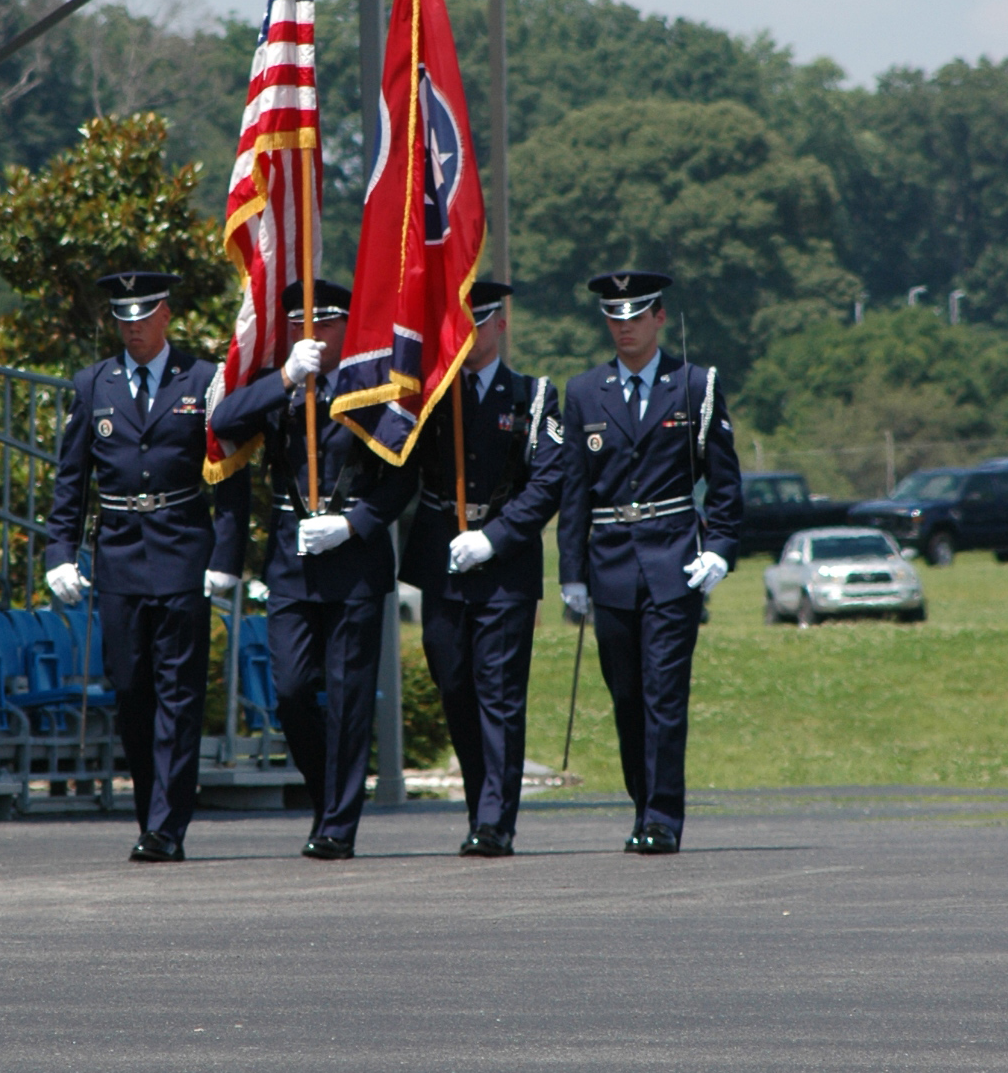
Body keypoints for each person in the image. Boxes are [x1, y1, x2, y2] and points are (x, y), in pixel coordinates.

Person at [207, 279, 418, 860]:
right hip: (292, 559)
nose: (313, 335)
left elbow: (404, 476)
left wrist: (355, 524)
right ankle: (328, 797)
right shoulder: (283, 384)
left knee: (349, 699)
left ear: (348, 325)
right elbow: (223, 422)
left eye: (324, 323)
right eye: (301, 325)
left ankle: (337, 826)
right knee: (292, 690)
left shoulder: (375, 385)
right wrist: (284, 378)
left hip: (353, 558)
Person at [45, 270, 248, 864]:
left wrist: (226, 557)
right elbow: (72, 479)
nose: (131, 329)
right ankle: (149, 813)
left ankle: (165, 826)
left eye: (142, 317)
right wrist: (60, 553)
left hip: (183, 549)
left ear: (165, 315)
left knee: (179, 694)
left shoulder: (203, 381)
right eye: (122, 319)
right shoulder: (94, 384)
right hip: (119, 555)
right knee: (131, 688)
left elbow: (231, 477)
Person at [557, 269, 742, 854]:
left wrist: (720, 549)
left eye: (636, 316)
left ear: (659, 318)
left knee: (664, 694)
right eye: (614, 317)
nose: (625, 328)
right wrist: (571, 573)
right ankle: (642, 806)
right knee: (628, 698)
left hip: (671, 561)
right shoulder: (585, 392)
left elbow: (725, 482)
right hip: (610, 562)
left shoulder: (693, 385)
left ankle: (662, 818)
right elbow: (574, 490)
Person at [400, 281, 564, 856]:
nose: (469, 331)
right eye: (460, 319)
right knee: (455, 687)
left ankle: (495, 821)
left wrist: (494, 538)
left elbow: (548, 481)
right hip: (442, 559)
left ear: (501, 325)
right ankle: (479, 806)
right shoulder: (431, 394)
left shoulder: (532, 397)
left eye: (481, 319)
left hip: (504, 566)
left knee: (499, 693)